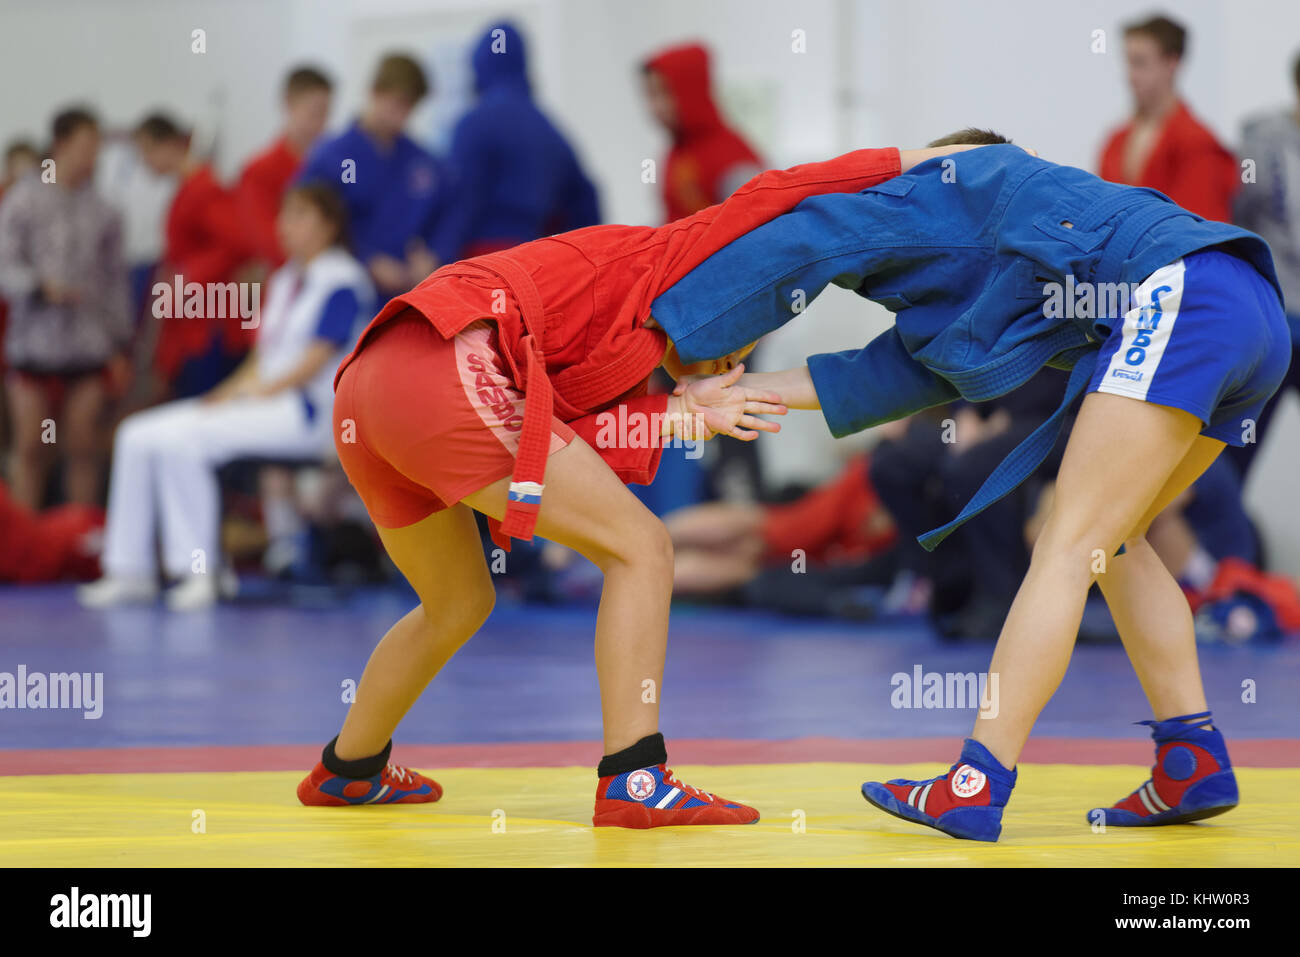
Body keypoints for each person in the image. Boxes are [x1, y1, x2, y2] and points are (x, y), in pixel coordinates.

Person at [294, 144, 964, 826]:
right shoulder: (669, 257)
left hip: (374, 385)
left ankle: (350, 768)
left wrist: (678, 415)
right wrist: (933, 157)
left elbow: (560, 440)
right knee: (642, 548)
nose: (729, 365)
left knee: (458, 601)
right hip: (449, 361)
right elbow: (781, 189)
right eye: (733, 352)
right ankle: (636, 780)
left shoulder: (642, 344)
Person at [649, 131, 1288, 841]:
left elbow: (818, 227)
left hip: (1185, 296)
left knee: (1067, 544)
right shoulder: (1009, 252)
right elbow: (889, 375)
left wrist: (682, 322)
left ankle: (974, 782)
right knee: (1115, 540)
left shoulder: (972, 177)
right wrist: (733, 388)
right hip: (1252, 308)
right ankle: (1190, 758)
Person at [78, 184, 373, 611]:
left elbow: (315, 359)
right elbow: (261, 359)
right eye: (285, 216)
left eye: (301, 216)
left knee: (189, 440)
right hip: (266, 403)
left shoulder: (343, 279)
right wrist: (221, 397)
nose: (287, 226)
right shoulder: (286, 278)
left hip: (308, 414)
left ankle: (199, 572)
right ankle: (130, 571)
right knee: (136, 434)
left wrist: (256, 397)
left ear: (329, 226)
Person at [0, 107, 131, 508]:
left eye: (96, 149)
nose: (91, 158)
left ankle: (78, 538)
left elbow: (115, 284)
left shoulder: (104, 211)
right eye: (84, 147)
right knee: (33, 446)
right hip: (33, 347)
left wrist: (120, 345)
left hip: (87, 347)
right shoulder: (23, 200)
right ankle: (24, 548)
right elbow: (5, 265)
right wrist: (40, 288)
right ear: (60, 145)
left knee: (82, 446)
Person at [428, 21, 600, 263]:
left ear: (479, 64)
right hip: (535, 262)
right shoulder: (550, 129)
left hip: (480, 265)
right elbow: (585, 201)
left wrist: (438, 257)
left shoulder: (474, 123)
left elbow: (462, 202)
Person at [296, 53, 449, 298]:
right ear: (375, 92)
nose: (401, 116)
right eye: (396, 103)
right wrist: (366, 259)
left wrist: (434, 255)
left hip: (409, 295)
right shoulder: (331, 156)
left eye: (409, 107)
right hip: (345, 294)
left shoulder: (422, 162)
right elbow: (304, 224)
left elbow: (449, 212)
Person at [135, 113, 255, 397]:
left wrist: (190, 275)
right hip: (192, 314)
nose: (145, 163)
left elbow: (239, 245)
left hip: (208, 320)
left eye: (146, 152)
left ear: (167, 145)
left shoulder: (204, 188)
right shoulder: (189, 188)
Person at [1231, 50, 1300, 477]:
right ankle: (1222, 540)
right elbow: (1241, 216)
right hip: (1275, 316)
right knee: (1235, 445)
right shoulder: (1262, 141)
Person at [1098, 14, 1238, 221]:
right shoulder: (1115, 140)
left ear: (1172, 63)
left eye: (1140, 62)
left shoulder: (1198, 144)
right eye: (1128, 62)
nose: (1130, 76)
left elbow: (1200, 234)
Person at [642, 42, 763, 221]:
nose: (654, 107)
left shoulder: (731, 158)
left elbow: (755, 227)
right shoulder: (676, 153)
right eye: (650, 95)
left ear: (689, 90)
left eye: (663, 93)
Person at [237, 65, 334, 271]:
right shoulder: (259, 171)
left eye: (325, 113)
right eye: (314, 112)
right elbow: (267, 243)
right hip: (286, 282)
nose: (321, 123)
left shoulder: (333, 164)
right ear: (289, 104)